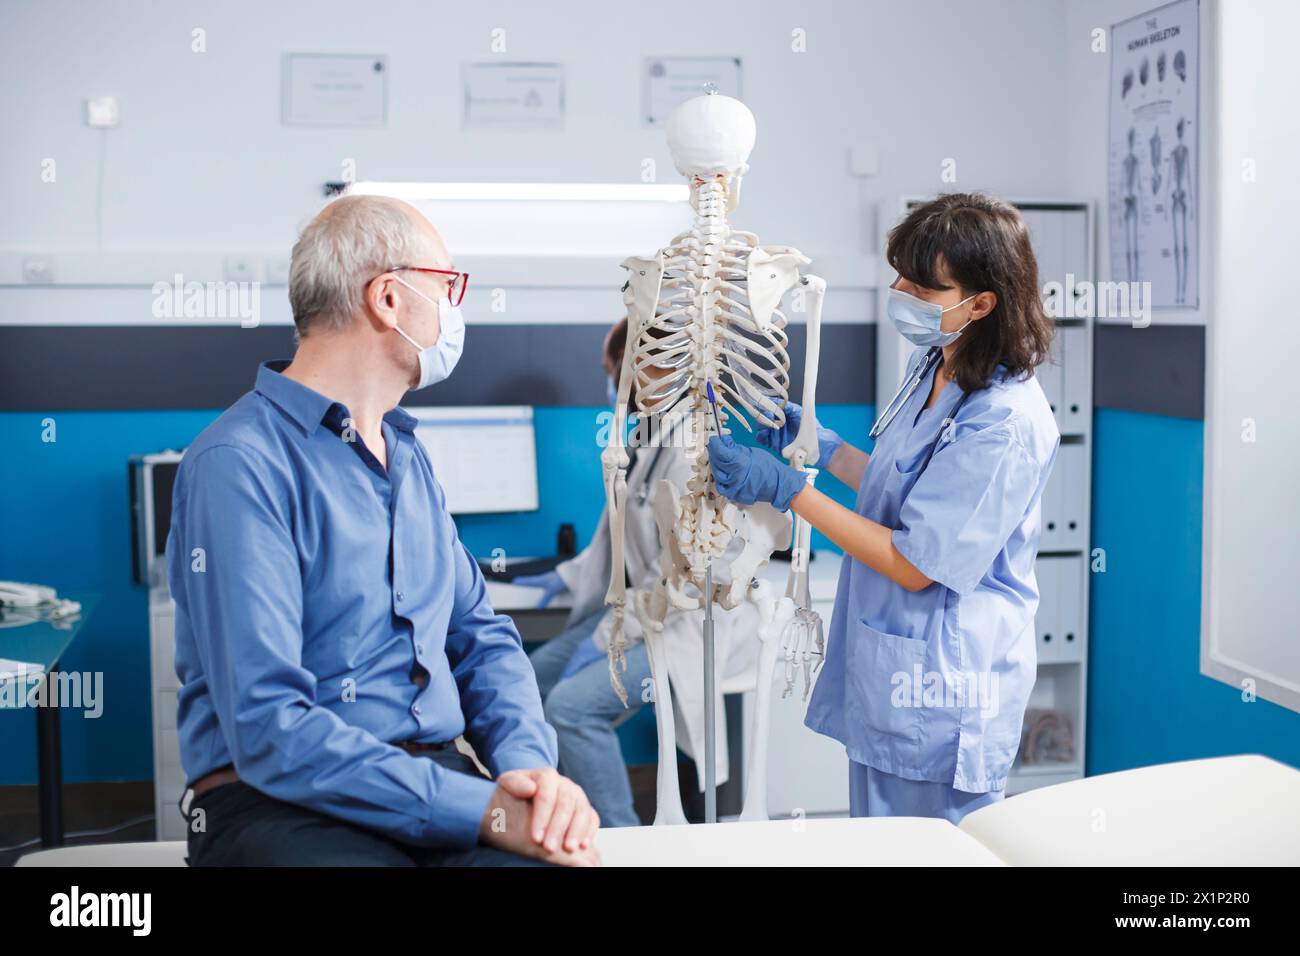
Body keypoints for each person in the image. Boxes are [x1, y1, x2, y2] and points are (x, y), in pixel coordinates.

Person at [167, 194, 599, 866]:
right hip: (282, 806)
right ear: (389, 300)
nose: (456, 311)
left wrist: (528, 772)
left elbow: (479, 638)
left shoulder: (407, 458)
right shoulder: (239, 463)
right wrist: (479, 809)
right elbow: (269, 729)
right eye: (448, 287)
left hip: (433, 780)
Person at [707, 192, 1060, 824]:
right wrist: (828, 449)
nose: (899, 290)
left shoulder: (1004, 421)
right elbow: (909, 494)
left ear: (980, 304)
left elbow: (915, 561)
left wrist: (790, 491)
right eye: (899, 273)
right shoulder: (938, 364)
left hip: (943, 685)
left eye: (922, 286)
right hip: (892, 663)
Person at [516, 318, 759, 826]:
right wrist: (561, 578)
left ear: (646, 366)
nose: (614, 387)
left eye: (615, 372)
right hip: (641, 615)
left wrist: (608, 637)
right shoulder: (650, 440)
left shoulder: (695, 448)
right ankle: (555, 819)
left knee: (570, 710)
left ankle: (623, 842)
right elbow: (618, 537)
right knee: (525, 684)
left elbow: (683, 581)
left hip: (684, 626)